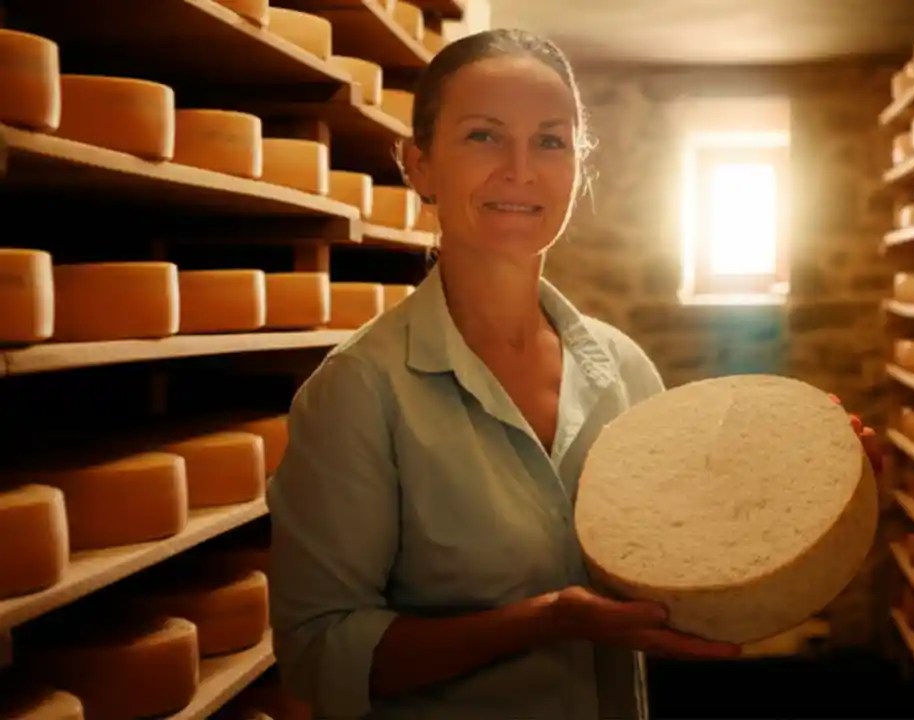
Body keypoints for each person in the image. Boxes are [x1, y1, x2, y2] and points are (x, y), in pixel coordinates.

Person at [266, 28, 880, 720]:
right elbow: (320, 651)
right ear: (419, 166)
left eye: (551, 141)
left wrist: (814, 485)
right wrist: (550, 619)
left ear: (578, 168)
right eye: (483, 137)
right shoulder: (358, 393)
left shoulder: (621, 369)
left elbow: (685, 552)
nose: (521, 170)